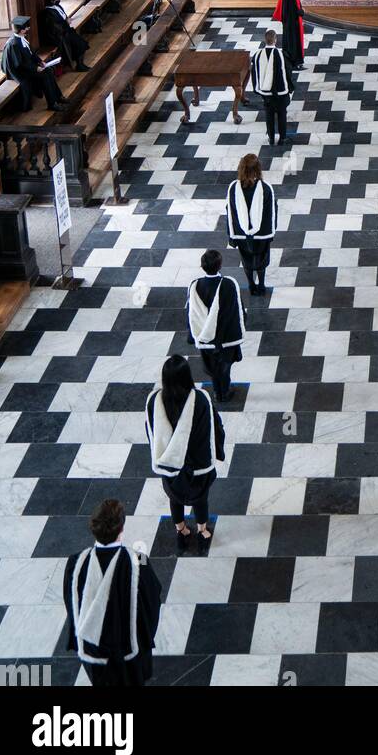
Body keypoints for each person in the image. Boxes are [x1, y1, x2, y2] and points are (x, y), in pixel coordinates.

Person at [63, 497, 162, 687]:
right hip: (128, 652)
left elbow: (72, 603)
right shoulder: (138, 560)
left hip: (92, 651)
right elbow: (152, 600)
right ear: (121, 529)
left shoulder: (75, 562)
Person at [145, 355, 225, 556]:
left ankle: (181, 531)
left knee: (175, 497)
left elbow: (152, 432)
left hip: (169, 466)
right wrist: (218, 450)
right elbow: (213, 427)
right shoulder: (200, 399)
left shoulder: (154, 401)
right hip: (198, 465)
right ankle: (202, 530)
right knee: (200, 499)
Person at [186, 249, 246, 403]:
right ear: (220, 265)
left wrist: (192, 335)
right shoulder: (228, 283)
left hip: (204, 336)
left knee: (212, 367)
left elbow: (191, 312)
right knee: (225, 366)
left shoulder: (194, 285)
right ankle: (224, 392)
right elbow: (236, 309)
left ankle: (216, 392)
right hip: (226, 337)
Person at [226, 152, 277, 296]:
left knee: (246, 260)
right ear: (258, 169)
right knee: (261, 259)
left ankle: (250, 284)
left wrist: (232, 235)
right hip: (261, 235)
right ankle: (261, 285)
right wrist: (271, 233)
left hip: (241, 234)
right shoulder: (266, 189)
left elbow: (230, 212)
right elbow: (272, 211)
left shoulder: (233, 189)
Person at [0, 15, 69, 112]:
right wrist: (35, 68)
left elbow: (31, 53)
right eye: (27, 27)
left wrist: (40, 62)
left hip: (27, 66)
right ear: (22, 30)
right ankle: (52, 104)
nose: (28, 28)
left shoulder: (21, 38)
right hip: (19, 71)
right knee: (44, 75)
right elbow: (19, 64)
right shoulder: (14, 44)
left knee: (48, 71)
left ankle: (58, 97)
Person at [250, 28, 293, 146]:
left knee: (269, 116)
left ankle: (271, 138)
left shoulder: (257, 55)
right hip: (281, 93)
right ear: (275, 40)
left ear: (265, 40)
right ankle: (283, 138)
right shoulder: (281, 54)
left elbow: (254, 71)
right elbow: (288, 71)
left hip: (266, 94)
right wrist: (290, 88)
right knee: (282, 115)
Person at [37, 0, 90, 71]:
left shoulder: (58, 6)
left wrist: (67, 19)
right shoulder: (48, 13)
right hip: (59, 36)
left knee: (81, 43)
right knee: (79, 44)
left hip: (66, 31)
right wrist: (66, 23)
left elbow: (63, 17)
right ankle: (79, 65)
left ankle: (80, 64)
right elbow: (54, 28)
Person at [273, 0, 305, 71]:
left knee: (291, 42)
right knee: (293, 42)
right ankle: (295, 63)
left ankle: (292, 62)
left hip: (289, 22)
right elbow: (293, 10)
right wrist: (302, 11)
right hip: (292, 24)